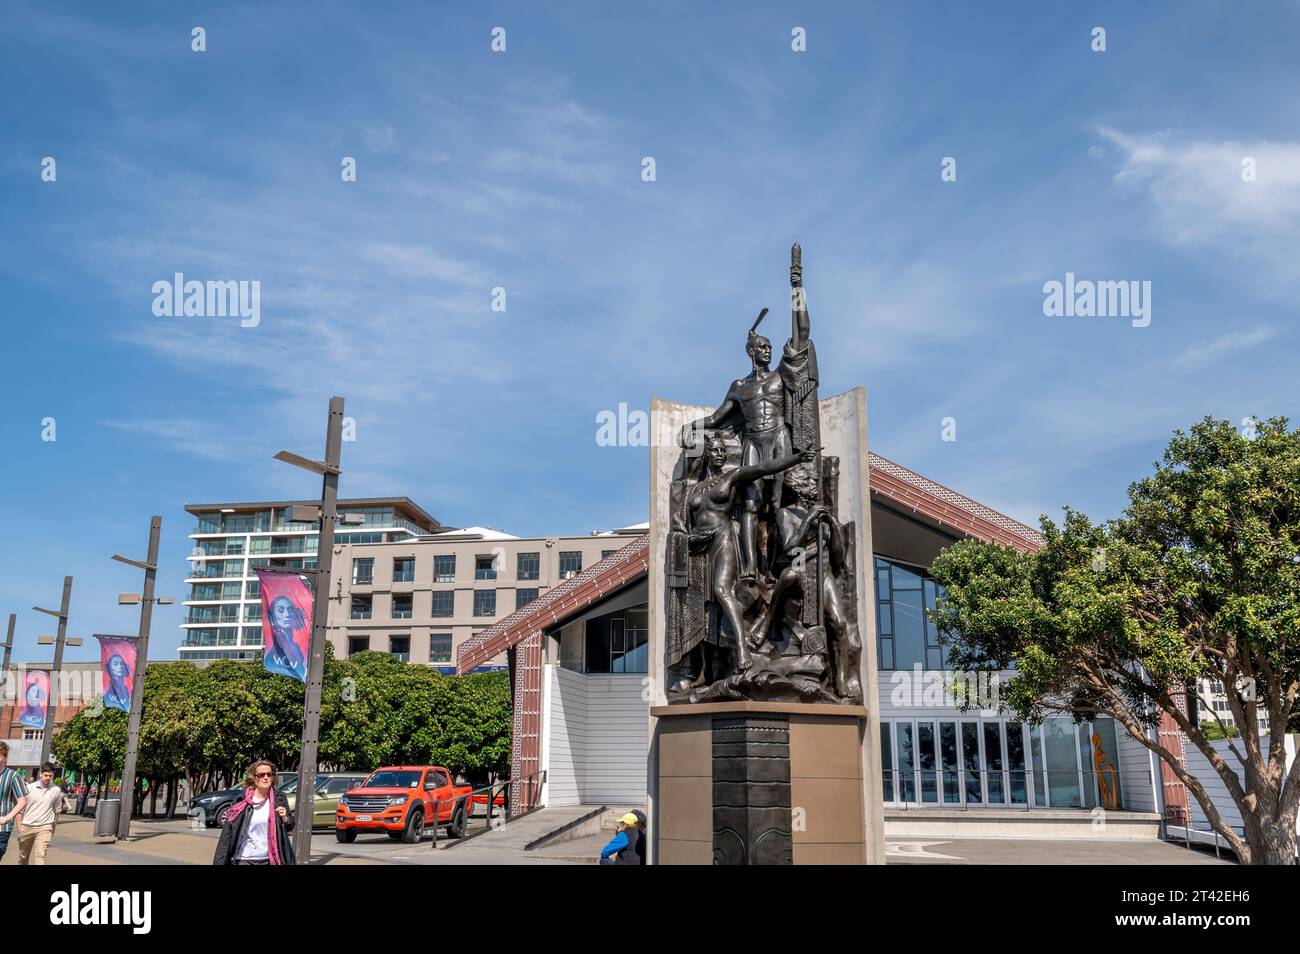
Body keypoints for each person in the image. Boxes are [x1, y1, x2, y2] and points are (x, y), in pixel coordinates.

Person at [212, 759, 295, 865]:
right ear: (253, 778)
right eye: (261, 775)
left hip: (269, 859)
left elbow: (290, 826)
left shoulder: (279, 798)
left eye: (269, 774)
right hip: (243, 858)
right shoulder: (241, 801)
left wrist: (285, 818)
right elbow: (227, 834)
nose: (266, 778)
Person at [17, 762, 63, 865]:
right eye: (46, 775)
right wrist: (19, 827)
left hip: (44, 827)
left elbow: (57, 812)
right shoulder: (29, 788)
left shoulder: (56, 790)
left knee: (40, 856)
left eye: (50, 776)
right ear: (40, 774)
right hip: (27, 826)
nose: (48, 778)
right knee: (23, 857)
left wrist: (52, 828)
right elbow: (19, 809)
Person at [0, 741, 29, 862]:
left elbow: (22, 801)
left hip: (2, 828)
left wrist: (7, 817)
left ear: (5, 757)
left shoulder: (13, 776)